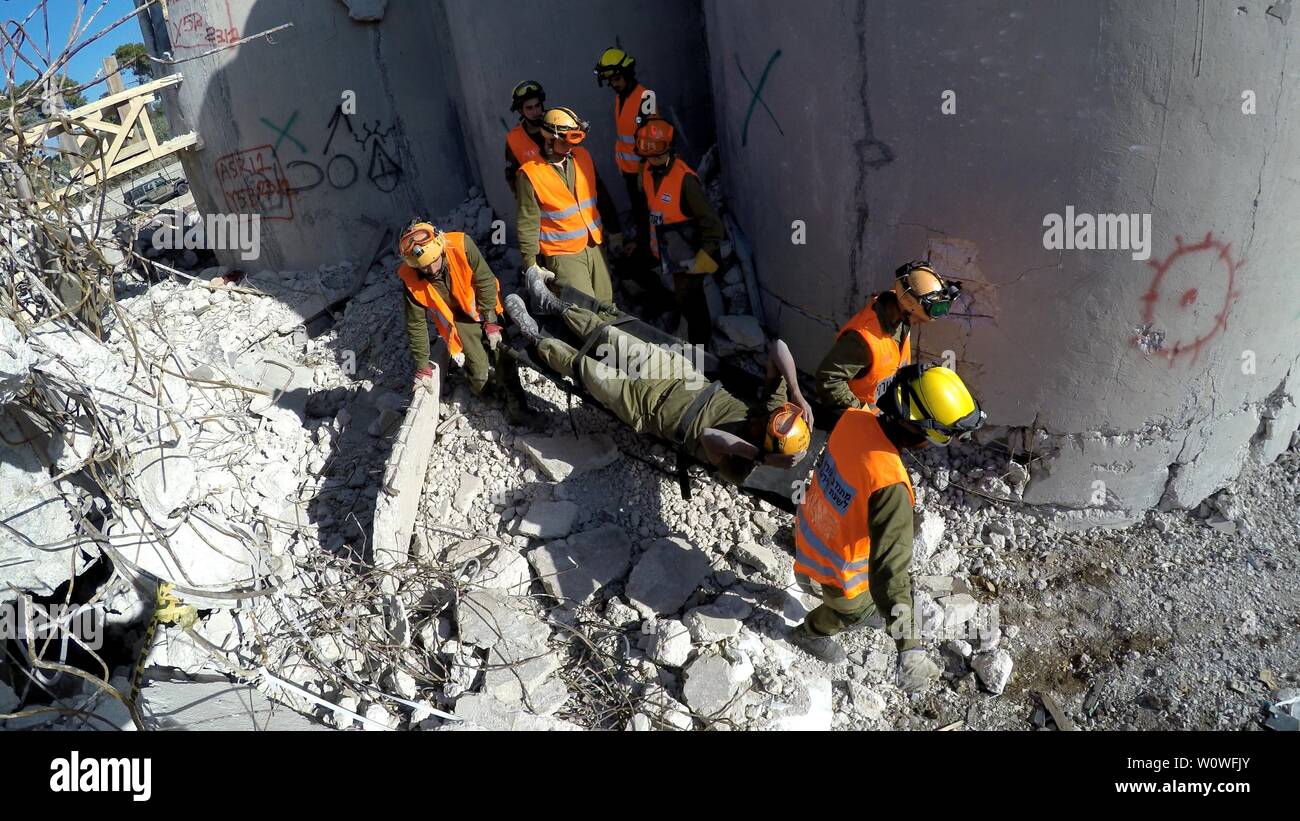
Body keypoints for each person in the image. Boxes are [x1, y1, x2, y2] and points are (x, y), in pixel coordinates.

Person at [506, 267, 814, 486]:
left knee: (585, 370)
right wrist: (797, 394)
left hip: (649, 408)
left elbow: (711, 437)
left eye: (763, 429)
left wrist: (758, 453)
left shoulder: (742, 465)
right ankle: (552, 306)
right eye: (770, 417)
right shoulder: (774, 411)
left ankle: (534, 337)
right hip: (674, 375)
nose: (761, 419)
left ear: (766, 445)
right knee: (609, 336)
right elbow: (778, 347)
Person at [787, 362, 985, 696]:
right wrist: (909, 646)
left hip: (809, 532)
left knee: (873, 604)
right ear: (920, 430)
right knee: (858, 612)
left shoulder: (853, 418)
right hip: (836, 571)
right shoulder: (890, 485)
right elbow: (889, 575)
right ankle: (809, 633)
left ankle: (811, 585)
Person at [397, 220, 528, 421]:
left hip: (485, 309)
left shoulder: (461, 245)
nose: (431, 271)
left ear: (440, 247)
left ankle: (520, 411)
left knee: (505, 360)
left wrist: (491, 322)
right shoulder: (410, 278)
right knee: (480, 376)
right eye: (424, 268)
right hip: (459, 321)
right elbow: (416, 324)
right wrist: (422, 366)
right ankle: (491, 393)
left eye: (434, 263)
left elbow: (485, 281)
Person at [814, 261, 962, 421]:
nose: (919, 323)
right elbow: (828, 379)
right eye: (919, 319)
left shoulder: (902, 311)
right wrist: (860, 416)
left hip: (883, 413)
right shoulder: (863, 340)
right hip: (857, 421)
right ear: (907, 309)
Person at [515, 106, 624, 305]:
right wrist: (531, 264)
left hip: (593, 244)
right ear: (550, 138)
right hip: (562, 253)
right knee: (582, 309)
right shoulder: (530, 174)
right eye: (566, 140)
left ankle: (612, 336)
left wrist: (615, 230)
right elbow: (527, 222)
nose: (571, 145)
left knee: (606, 304)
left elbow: (601, 195)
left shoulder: (583, 157)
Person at [633, 116, 725, 345]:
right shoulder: (645, 169)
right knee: (634, 270)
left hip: (686, 255)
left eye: (658, 155)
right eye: (649, 156)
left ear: (669, 150)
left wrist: (702, 260)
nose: (654, 160)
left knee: (693, 305)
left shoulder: (685, 181)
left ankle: (701, 356)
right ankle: (668, 313)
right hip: (664, 250)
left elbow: (712, 225)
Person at [594, 46, 654, 256]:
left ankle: (651, 250)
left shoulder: (645, 98)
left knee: (649, 212)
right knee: (639, 212)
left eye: (617, 79)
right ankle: (642, 243)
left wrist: (641, 171)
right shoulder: (621, 97)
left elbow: (652, 140)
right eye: (610, 81)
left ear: (627, 74)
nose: (614, 84)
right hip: (629, 171)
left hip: (643, 172)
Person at [504, 80, 547, 196]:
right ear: (520, 111)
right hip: (542, 206)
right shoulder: (514, 139)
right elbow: (512, 175)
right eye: (529, 108)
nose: (535, 111)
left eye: (537, 105)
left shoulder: (558, 125)